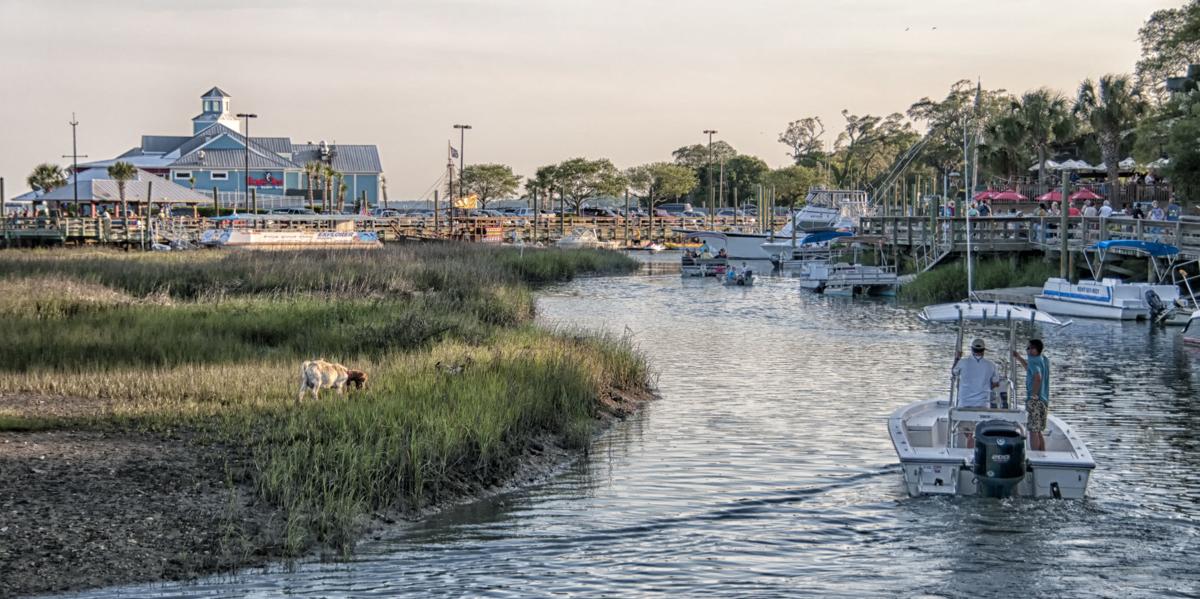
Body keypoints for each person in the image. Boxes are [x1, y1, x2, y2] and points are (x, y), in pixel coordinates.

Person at [952, 338, 1000, 447]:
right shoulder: (991, 365)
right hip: (982, 404)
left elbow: (954, 372)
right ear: (984, 350)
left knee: (969, 432)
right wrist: (987, 385)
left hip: (964, 403)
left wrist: (957, 358)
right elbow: (995, 383)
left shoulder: (963, 362)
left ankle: (970, 451)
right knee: (974, 433)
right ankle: (972, 450)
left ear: (971, 349)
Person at [1012, 339, 1050, 451]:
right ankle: (1042, 454)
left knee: (1033, 431)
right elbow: (1030, 369)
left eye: (1029, 348)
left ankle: (1035, 457)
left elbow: (1037, 377)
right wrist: (1019, 358)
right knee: (1038, 430)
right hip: (1044, 400)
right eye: (1027, 348)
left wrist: (1033, 395)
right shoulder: (1044, 359)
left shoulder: (1033, 361)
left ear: (1035, 349)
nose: (1027, 350)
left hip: (1035, 400)